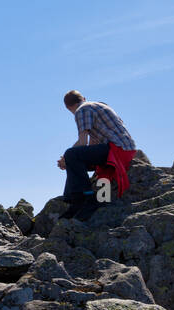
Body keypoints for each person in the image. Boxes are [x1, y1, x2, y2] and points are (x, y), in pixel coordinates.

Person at [56, 90, 137, 221]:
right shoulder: (98, 105)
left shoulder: (82, 109)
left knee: (71, 154)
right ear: (83, 97)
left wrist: (65, 159)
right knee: (73, 159)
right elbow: (92, 146)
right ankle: (77, 201)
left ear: (68, 107)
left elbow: (83, 143)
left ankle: (83, 198)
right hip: (125, 149)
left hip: (117, 150)